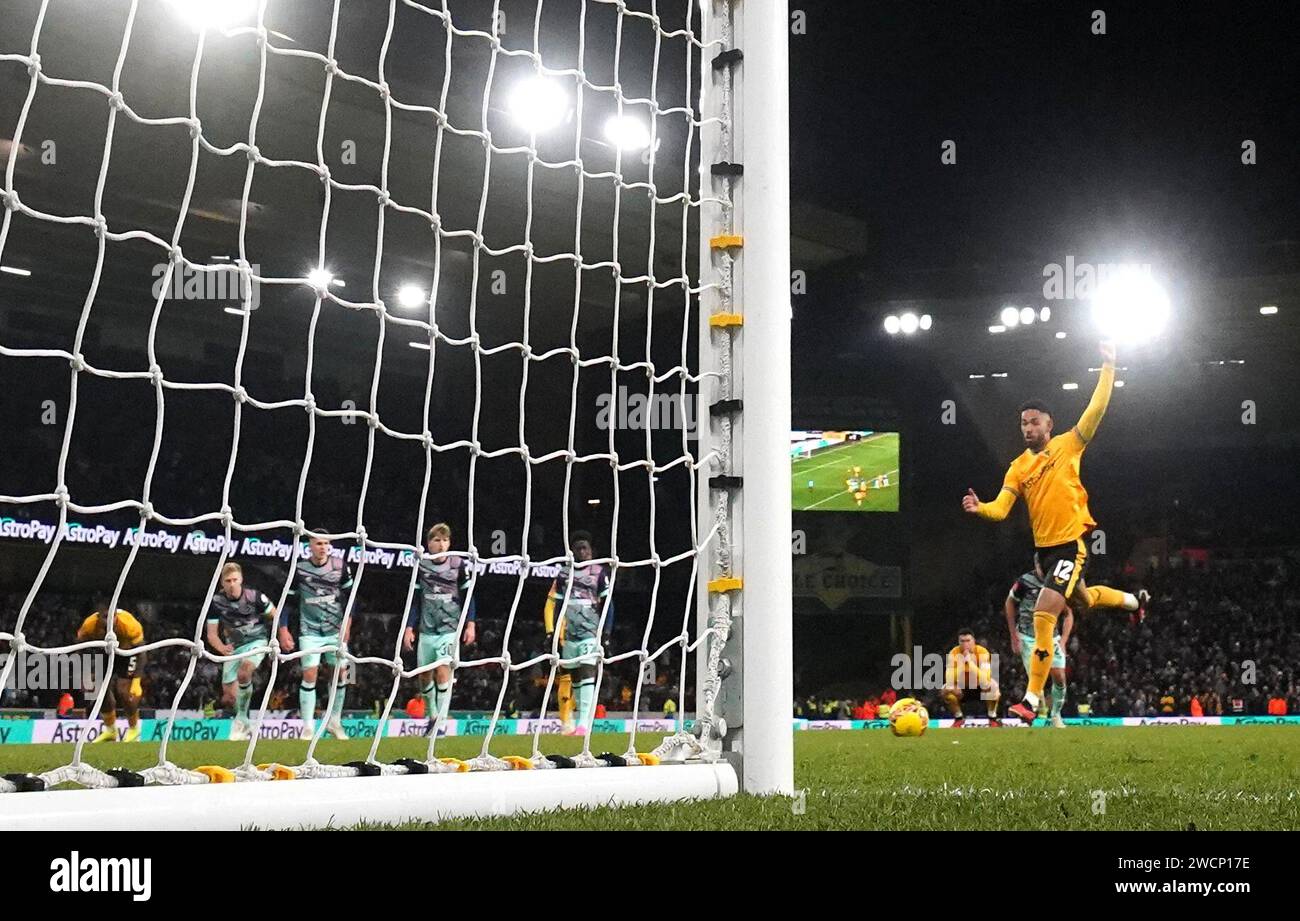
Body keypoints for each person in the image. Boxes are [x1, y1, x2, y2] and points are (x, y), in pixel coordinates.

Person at [963, 340, 1128, 723]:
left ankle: (1032, 700)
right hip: (1044, 555)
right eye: (1023, 422)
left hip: (1072, 547)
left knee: (1042, 615)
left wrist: (1108, 366)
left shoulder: (1068, 445)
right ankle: (1135, 602)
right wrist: (980, 508)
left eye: (1034, 421)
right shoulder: (1017, 468)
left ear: (1049, 425)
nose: (1028, 427)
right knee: (1085, 602)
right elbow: (1001, 509)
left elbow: (1096, 409)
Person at [403, 524, 476, 735]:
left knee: (443, 672)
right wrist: (409, 627)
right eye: (437, 540)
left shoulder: (458, 564)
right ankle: (433, 716)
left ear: (450, 543)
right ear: (429, 544)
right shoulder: (421, 565)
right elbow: (415, 600)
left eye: (445, 540)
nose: (441, 544)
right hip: (426, 630)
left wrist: (470, 624)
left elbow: (468, 596)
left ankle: (441, 723)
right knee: (424, 676)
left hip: (449, 629)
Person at [280, 535, 355, 739]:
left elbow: (351, 598)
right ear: (310, 547)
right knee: (310, 675)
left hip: (335, 631)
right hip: (309, 631)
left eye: (326, 544)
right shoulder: (299, 569)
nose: (323, 547)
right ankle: (308, 727)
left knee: (343, 673)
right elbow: (287, 601)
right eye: (318, 543)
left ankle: (335, 722)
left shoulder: (341, 567)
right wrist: (283, 629)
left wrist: (347, 624)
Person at [543, 532, 613, 736]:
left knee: (587, 672)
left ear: (591, 552)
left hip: (591, 632)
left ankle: (584, 723)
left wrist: (606, 632)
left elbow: (608, 604)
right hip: (569, 634)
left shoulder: (600, 572)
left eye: (586, 548)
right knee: (573, 678)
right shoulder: (564, 574)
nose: (582, 552)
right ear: (572, 551)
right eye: (579, 548)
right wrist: (553, 633)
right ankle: (570, 722)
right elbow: (555, 605)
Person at [206, 562, 277, 741]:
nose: (232, 584)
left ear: (241, 580)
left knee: (244, 672)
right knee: (229, 698)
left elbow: (275, 614)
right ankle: (244, 725)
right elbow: (211, 635)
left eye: (235, 580)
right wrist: (222, 648)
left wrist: (278, 636)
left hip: (257, 641)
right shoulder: (215, 602)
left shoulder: (255, 597)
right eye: (228, 580)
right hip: (234, 648)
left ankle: (242, 720)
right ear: (222, 582)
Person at [77, 598, 146, 743]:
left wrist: (137, 681)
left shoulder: (129, 624)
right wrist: (86, 672)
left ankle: (134, 730)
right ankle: (111, 730)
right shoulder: (89, 625)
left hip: (128, 654)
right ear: (98, 616)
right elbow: (80, 647)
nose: (110, 620)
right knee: (96, 689)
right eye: (105, 617)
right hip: (106, 654)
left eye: (113, 616)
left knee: (124, 692)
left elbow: (142, 651)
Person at [940, 628, 1001, 726]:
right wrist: (962, 664)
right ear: (958, 642)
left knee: (993, 686)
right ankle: (958, 718)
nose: (965, 644)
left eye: (968, 641)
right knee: (945, 689)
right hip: (961, 689)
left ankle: (992, 718)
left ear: (974, 641)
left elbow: (985, 678)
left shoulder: (982, 652)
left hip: (979, 688)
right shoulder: (953, 653)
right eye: (962, 641)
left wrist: (971, 664)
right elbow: (949, 678)